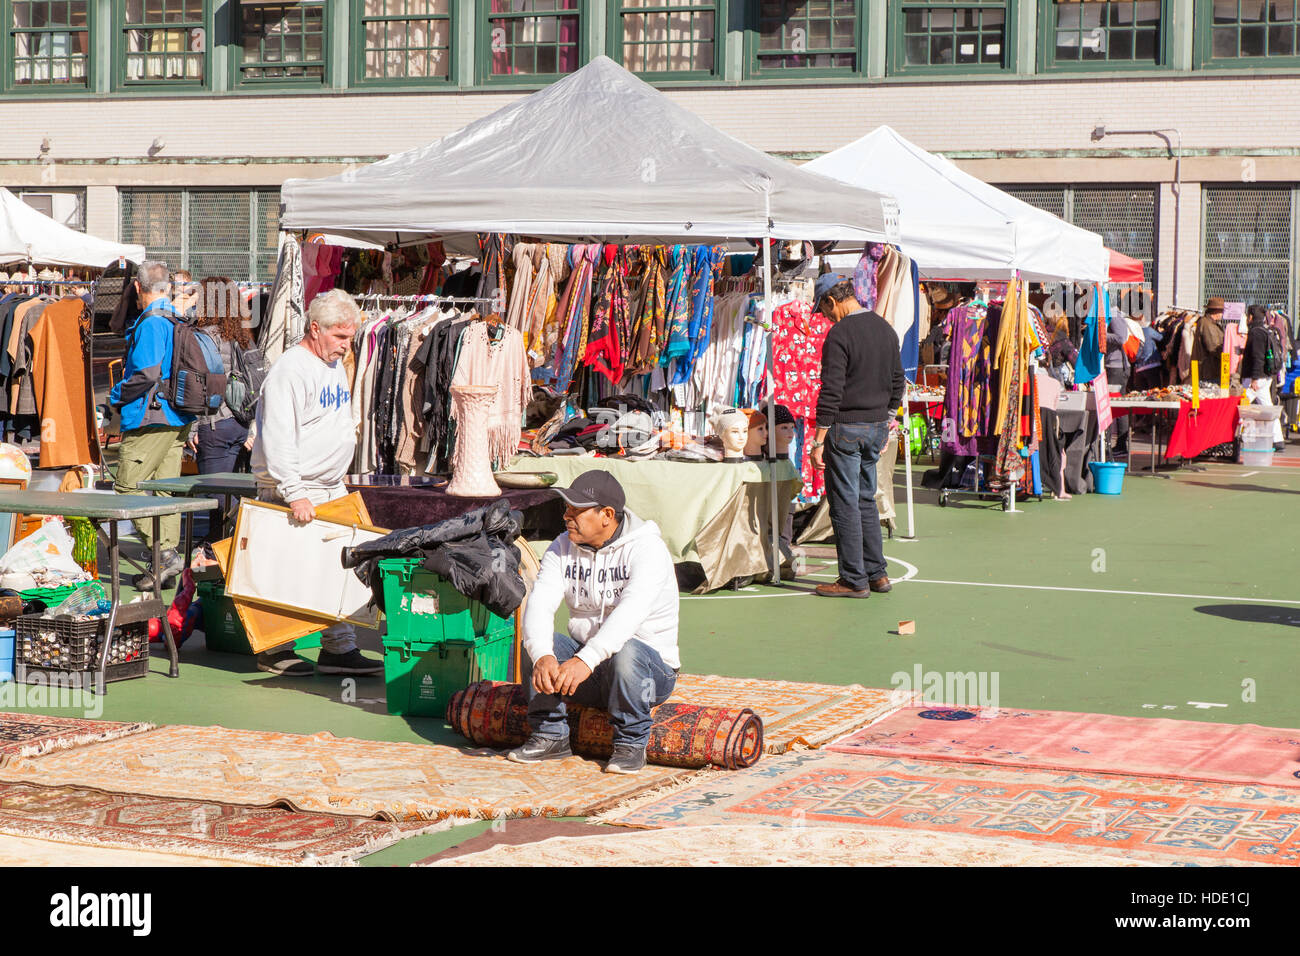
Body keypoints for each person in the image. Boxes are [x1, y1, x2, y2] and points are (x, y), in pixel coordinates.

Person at [250, 289, 382, 678]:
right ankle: (277, 648)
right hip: (296, 489)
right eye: (340, 337)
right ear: (315, 329)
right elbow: (278, 436)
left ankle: (339, 648)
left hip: (326, 487)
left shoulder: (332, 364)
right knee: (288, 571)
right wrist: (295, 492)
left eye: (350, 337)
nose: (346, 345)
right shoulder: (290, 370)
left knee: (337, 570)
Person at [511, 471, 680, 774]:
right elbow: (540, 604)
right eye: (567, 509)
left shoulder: (648, 549)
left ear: (607, 515)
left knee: (627, 652)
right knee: (535, 641)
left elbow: (629, 613)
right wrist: (543, 655)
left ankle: (631, 742)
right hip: (590, 668)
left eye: (576, 510)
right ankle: (550, 735)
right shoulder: (561, 547)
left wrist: (584, 661)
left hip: (648, 672)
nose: (567, 516)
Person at [810, 273, 904, 599]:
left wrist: (818, 440)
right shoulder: (885, 329)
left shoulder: (839, 334)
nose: (825, 317)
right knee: (866, 499)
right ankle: (877, 574)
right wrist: (887, 421)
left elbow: (831, 391)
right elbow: (898, 383)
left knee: (845, 503)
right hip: (876, 427)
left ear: (831, 301)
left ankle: (853, 578)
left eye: (824, 310)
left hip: (845, 428)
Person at [109, 260, 195, 591]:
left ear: (137, 287)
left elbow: (146, 374)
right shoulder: (176, 316)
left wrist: (116, 395)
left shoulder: (150, 322)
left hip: (151, 416)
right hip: (178, 415)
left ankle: (164, 555)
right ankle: (164, 561)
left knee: (126, 488)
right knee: (164, 491)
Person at [189, 277, 252, 477]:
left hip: (215, 423)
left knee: (214, 493)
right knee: (229, 490)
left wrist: (192, 428)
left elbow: (199, 386)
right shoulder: (243, 337)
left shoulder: (203, 337)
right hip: (240, 422)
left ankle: (239, 511)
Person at [1241, 304, 1286, 452]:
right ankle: (1278, 439)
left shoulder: (1255, 333)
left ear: (1251, 317)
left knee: (1239, 405)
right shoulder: (1265, 330)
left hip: (1256, 378)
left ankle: (1234, 437)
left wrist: (1254, 378)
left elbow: (1257, 357)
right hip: (1265, 376)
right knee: (1268, 408)